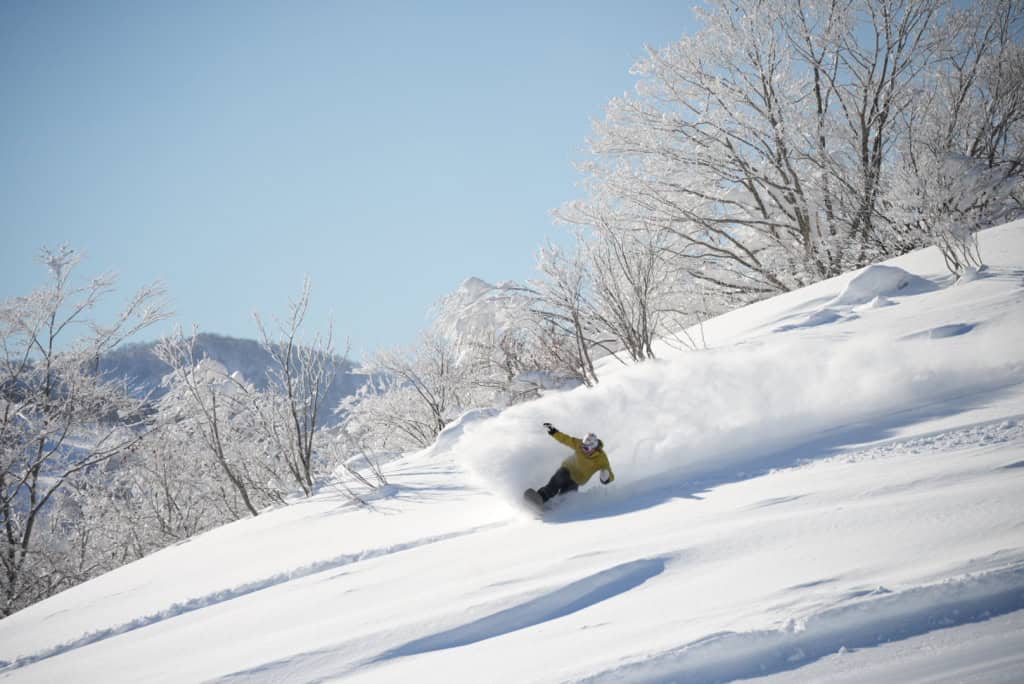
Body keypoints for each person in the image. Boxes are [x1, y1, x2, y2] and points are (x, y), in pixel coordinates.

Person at [531, 422, 614, 503]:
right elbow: (566, 439)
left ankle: (554, 509)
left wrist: (606, 478)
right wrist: (553, 431)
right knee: (555, 484)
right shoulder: (579, 444)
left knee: (565, 497)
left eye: (587, 448)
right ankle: (540, 498)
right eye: (583, 447)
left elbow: (609, 475)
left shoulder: (601, 459)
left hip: (577, 480)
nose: (584, 450)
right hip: (567, 469)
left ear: (594, 447)